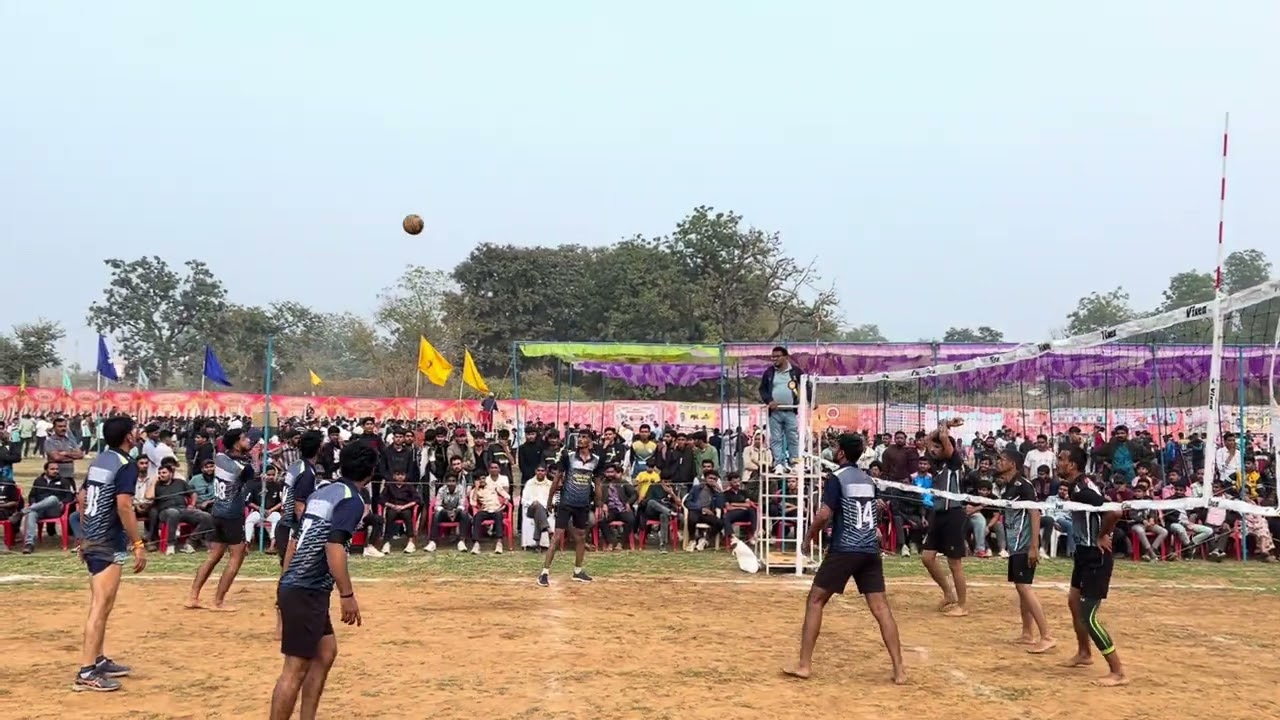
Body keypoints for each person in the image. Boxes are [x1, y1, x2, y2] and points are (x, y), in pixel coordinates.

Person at [784, 433, 904, 683]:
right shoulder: (868, 479)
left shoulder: (837, 478)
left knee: (815, 600)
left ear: (840, 454)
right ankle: (899, 670)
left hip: (845, 547)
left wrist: (808, 537)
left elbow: (824, 514)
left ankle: (804, 665)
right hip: (870, 549)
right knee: (881, 608)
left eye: (836, 447)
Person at [269, 442, 373, 720]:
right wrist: (347, 594)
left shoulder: (324, 491)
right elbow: (334, 546)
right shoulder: (352, 499)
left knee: (326, 652)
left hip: (299, 585)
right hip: (307, 589)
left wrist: (285, 579)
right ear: (371, 472)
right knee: (295, 669)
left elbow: (295, 537)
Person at [74, 415, 147, 692]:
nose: (138, 432)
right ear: (129, 437)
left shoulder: (101, 459)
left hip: (95, 537)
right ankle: (86, 672)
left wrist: (84, 535)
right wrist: (138, 544)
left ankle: (98, 659)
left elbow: (82, 499)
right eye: (135, 429)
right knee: (100, 606)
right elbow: (124, 506)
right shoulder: (125, 465)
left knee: (103, 605)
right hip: (107, 541)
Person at [1059, 445, 1128, 687]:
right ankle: (1084, 653)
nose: (1058, 462)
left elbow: (1113, 510)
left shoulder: (1082, 488)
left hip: (1096, 556)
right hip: (1083, 553)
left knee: (1089, 616)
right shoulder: (1076, 486)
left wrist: (1102, 535)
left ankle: (1117, 671)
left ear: (1072, 465)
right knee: (1073, 602)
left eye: (1062, 458)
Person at [186, 429, 253, 610]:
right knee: (236, 557)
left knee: (214, 555)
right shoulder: (242, 467)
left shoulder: (220, 458)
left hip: (217, 512)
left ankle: (193, 596)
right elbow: (249, 475)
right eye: (244, 438)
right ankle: (218, 601)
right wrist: (254, 457)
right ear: (236, 443)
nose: (247, 440)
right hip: (232, 515)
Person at [996, 447, 1055, 653]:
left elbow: (1035, 513)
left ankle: (1046, 635)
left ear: (1012, 464)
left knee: (1024, 588)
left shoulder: (1024, 485)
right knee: (1021, 588)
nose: (998, 463)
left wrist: (1034, 546)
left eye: (1002, 460)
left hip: (1024, 544)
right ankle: (1027, 633)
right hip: (1014, 545)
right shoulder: (1009, 486)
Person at [538, 432, 603, 586]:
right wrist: (550, 498)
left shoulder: (596, 461)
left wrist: (599, 504)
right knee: (557, 536)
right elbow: (557, 478)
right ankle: (544, 573)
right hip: (567, 503)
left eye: (584, 437)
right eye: (579, 437)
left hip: (583, 504)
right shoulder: (568, 457)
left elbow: (598, 484)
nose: (580, 439)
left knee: (581, 537)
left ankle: (578, 571)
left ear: (591, 442)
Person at [920, 418, 970, 616]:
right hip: (938, 513)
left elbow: (942, 439)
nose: (932, 450)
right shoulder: (936, 463)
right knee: (927, 557)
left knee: (954, 563)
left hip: (953, 514)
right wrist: (942, 428)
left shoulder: (953, 461)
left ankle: (962, 605)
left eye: (937, 448)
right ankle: (949, 594)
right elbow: (927, 440)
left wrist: (946, 425)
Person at [758, 346, 805, 473]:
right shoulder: (769, 372)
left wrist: (811, 400)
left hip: (791, 411)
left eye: (778, 356)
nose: (775, 359)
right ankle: (778, 463)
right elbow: (762, 389)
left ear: (786, 357)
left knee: (793, 437)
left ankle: (795, 463)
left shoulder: (796, 372)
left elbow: (806, 386)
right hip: (775, 412)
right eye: (773, 357)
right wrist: (769, 401)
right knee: (776, 438)